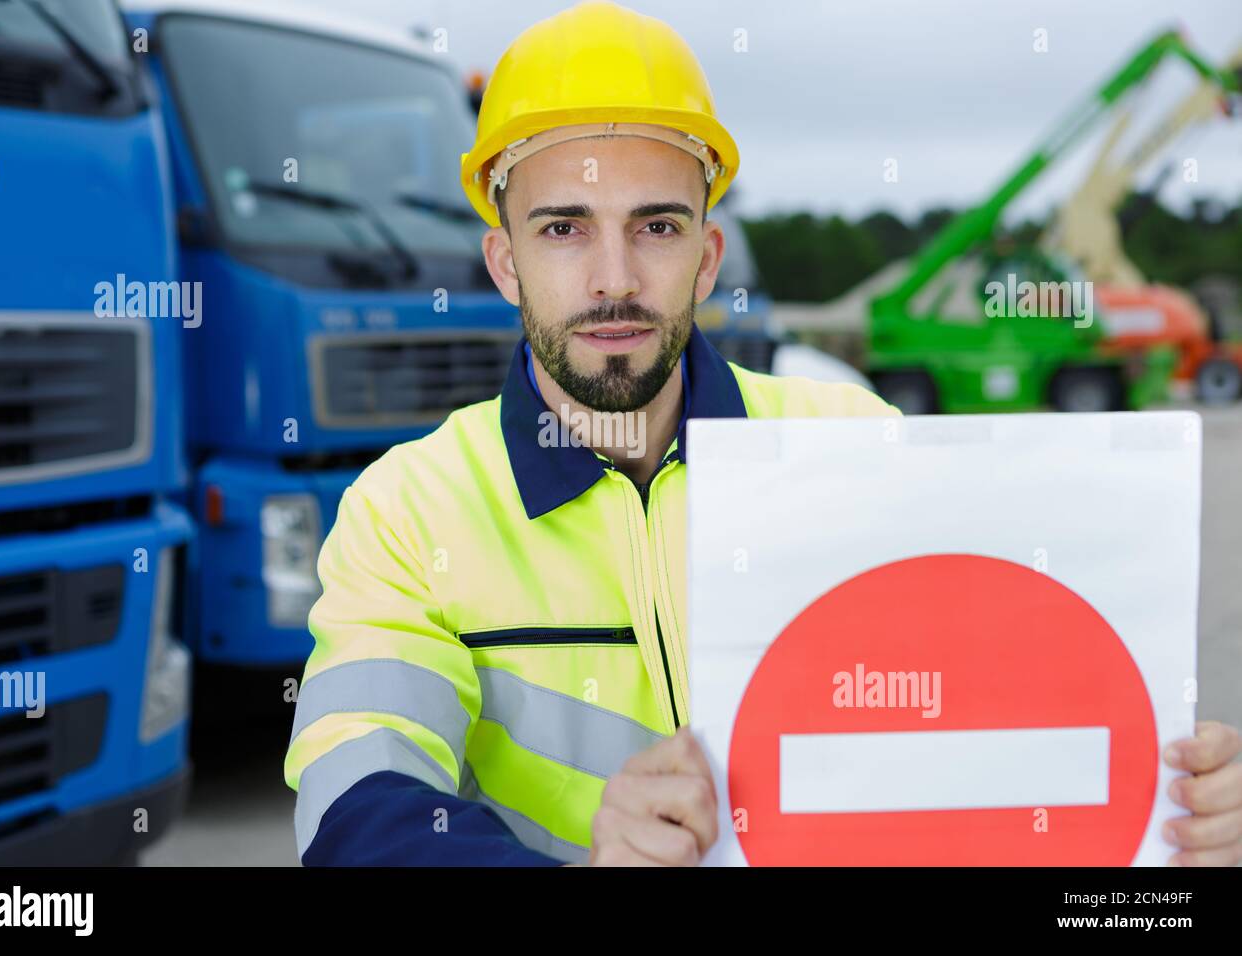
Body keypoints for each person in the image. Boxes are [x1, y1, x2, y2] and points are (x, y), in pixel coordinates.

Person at [284, 0, 1242, 867]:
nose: (614, 277)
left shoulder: (854, 443)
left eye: (656, 228)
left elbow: (988, 744)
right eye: (565, 229)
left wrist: (1168, 813)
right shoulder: (409, 510)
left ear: (707, 259)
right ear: (504, 261)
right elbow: (355, 810)